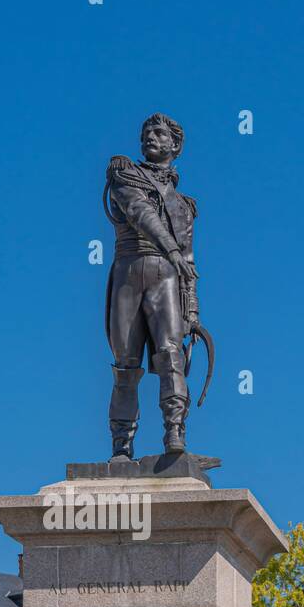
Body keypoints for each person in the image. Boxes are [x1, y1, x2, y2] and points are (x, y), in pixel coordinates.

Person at [104, 113, 201, 457]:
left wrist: (192, 311)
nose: (150, 138)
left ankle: (175, 433)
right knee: (125, 364)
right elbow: (139, 212)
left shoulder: (184, 206)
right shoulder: (124, 173)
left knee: (171, 355)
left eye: (159, 133)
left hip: (168, 276)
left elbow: (188, 262)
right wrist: (171, 249)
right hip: (130, 270)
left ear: (175, 145)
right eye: (146, 132)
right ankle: (121, 446)